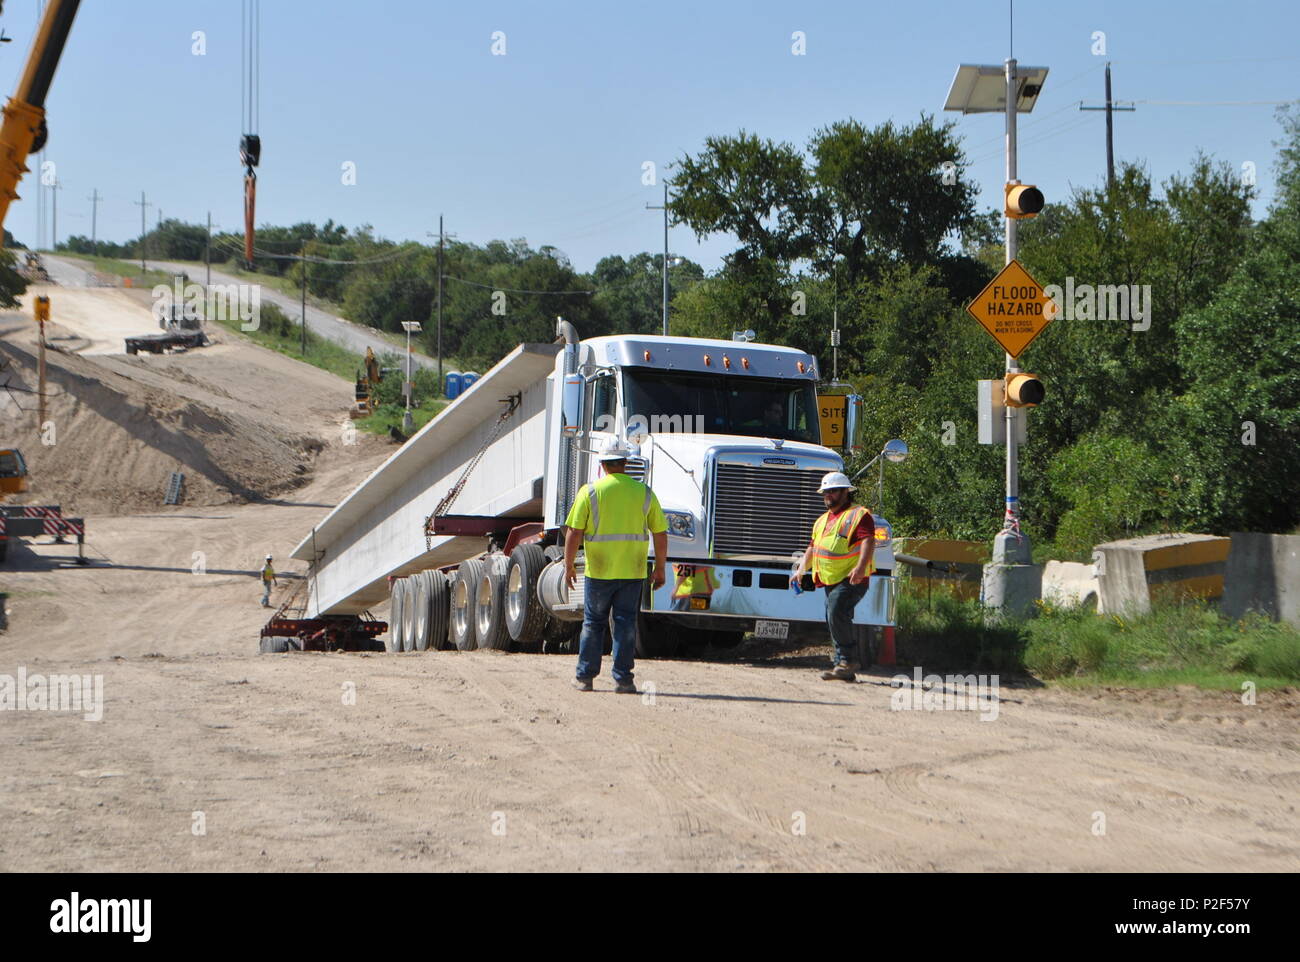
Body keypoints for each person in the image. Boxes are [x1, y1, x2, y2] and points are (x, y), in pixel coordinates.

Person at [564, 438, 668, 693]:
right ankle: (623, 680)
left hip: (599, 571)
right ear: (625, 463)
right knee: (625, 623)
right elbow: (661, 533)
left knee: (593, 623)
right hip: (632, 572)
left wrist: (568, 566)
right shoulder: (644, 492)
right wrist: (661, 568)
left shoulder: (590, 492)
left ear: (602, 463)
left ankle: (585, 678)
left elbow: (574, 532)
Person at [789, 472, 875, 682]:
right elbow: (813, 547)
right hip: (830, 577)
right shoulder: (821, 521)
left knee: (836, 609)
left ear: (846, 492)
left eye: (834, 491)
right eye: (826, 492)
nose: (829, 495)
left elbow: (868, 541)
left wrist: (861, 567)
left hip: (852, 576)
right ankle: (844, 667)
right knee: (834, 616)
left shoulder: (859, 515)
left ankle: (847, 660)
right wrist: (800, 570)